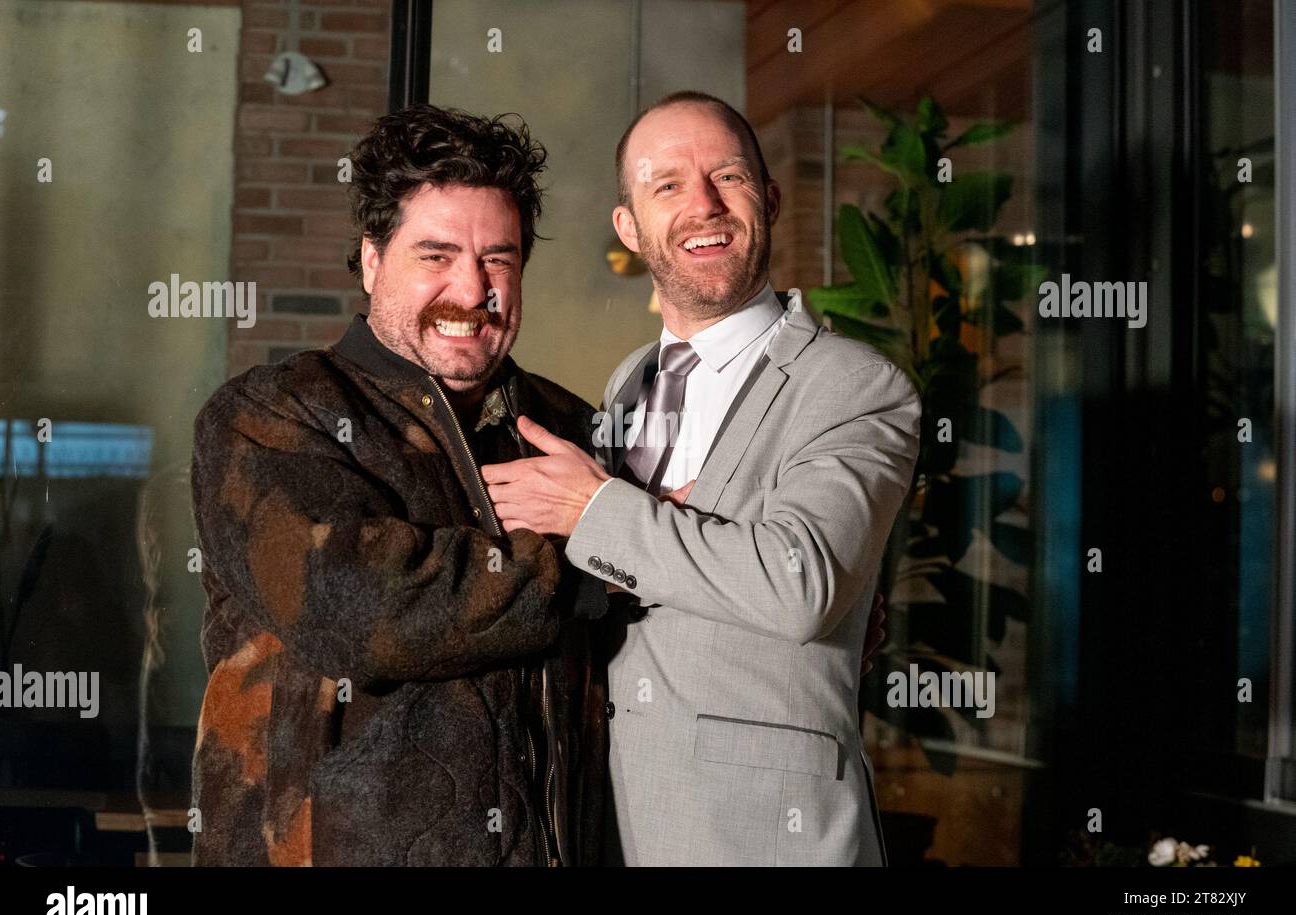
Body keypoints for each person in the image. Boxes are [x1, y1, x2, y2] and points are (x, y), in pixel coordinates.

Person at [482, 91, 921, 866]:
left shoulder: (857, 386)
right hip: (606, 818)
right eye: (667, 186)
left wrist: (593, 508)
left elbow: (799, 585)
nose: (704, 206)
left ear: (770, 198)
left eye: (729, 177)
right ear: (630, 227)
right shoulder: (628, 382)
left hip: (766, 835)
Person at [188, 104, 610, 866]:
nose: (472, 288)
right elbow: (355, 608)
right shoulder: (273, 413)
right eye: (435, 256)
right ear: (373, 259)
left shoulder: (568, 425)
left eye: (499, 260)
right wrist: (591, 561)